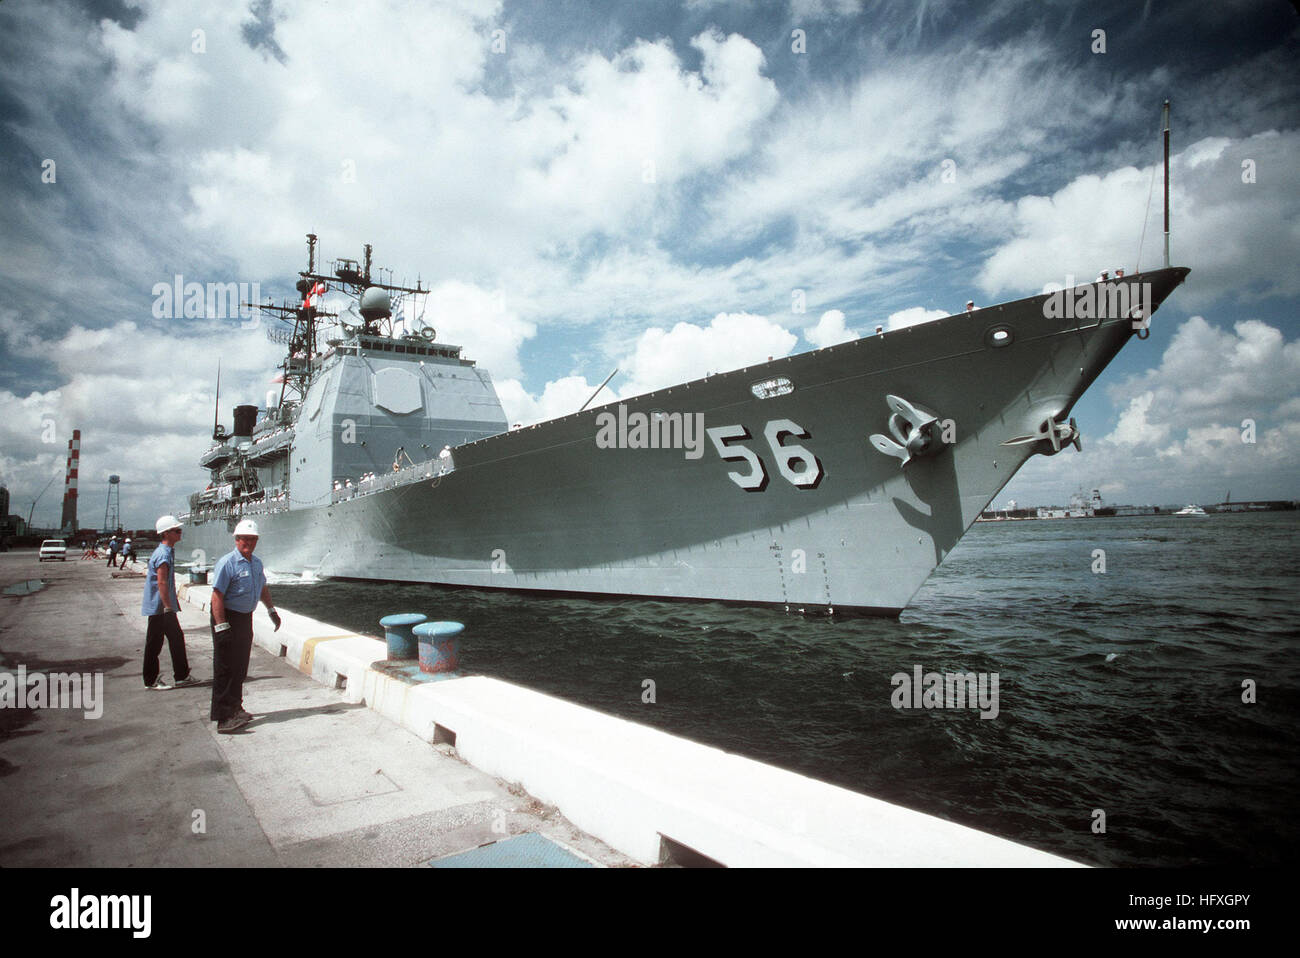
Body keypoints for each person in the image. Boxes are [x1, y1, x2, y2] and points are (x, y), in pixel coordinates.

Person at [209, 518, 281, 734]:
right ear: (236, 539)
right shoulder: (227, 563)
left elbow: (262, 587)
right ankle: (223, 718)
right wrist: (221, 626)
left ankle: (235, 707)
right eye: (244, 539)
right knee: (225, 667)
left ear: (256, 540)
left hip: (244, 618)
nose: (248, 542)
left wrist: (271, 610)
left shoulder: (256, 563)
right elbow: (217, 596)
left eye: (252, 539)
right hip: (227, 617)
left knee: (240, 666)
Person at [141, 516, 199, 690]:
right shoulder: (163, 553)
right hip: (161, 607)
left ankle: (180, 676)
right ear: (166, 533)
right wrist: (168, 607)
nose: (180, 532)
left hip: (161, 606)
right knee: (158, 642)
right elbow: (162, 582)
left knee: (169, 640)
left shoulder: (166, 551)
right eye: (176, 530)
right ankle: (153, 680)